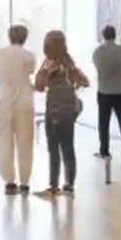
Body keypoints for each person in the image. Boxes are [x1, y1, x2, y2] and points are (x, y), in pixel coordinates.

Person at [34, 30, 90, 197]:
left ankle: (62, 185)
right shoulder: (54, 62)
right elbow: (39, 86)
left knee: (61, 148)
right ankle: (61, 185)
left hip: (61, 111)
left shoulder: (62, 63)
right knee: (60, 148)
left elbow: (83, 81)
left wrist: (64, 79)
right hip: (57, 109)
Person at [0, 24, 37, 195]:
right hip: (24, 99)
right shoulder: (29, 56)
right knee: (25, 140)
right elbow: (30, 71)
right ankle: (24, 180)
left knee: (5, 140)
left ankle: (9, 180)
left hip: (5, 98)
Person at [93, 25, 121, 160]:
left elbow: (99, 69)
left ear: (103, 35)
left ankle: (104, 150)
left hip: (104, 91)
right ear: (115, 35)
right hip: (120, 91)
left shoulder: (98, 52)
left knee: (104, 122)